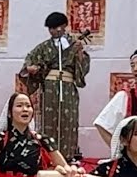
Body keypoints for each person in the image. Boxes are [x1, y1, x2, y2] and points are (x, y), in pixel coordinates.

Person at [20, 12, 91, 161]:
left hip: (67, 86)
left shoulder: (74, 44)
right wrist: (30, 68)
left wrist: (79, 55)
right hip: (50, 87)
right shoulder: (44, 47)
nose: (53, 31)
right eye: (50, 28)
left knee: (68, 120)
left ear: (65, 26)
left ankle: (68, 156)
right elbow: (29, 61)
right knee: (48, 121)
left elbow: (82, 68)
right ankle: (47, 157)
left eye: (56, 27)